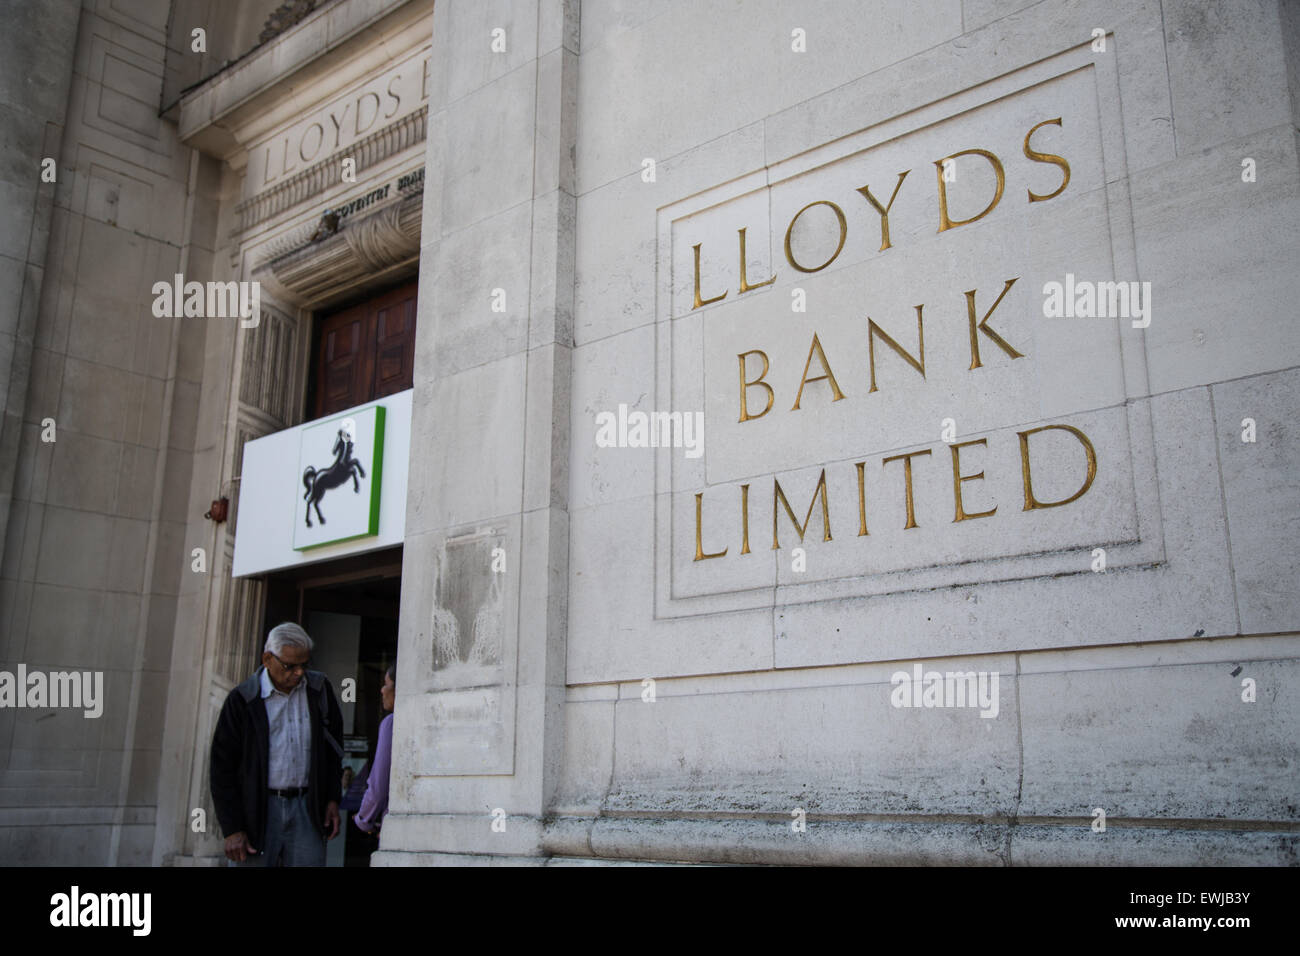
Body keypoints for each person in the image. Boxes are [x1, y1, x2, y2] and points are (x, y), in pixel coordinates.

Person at [210, 622, 345, 866]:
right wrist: (232, 828)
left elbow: (333, 750)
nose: (299, 673)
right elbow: (222, 769)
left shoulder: (318, 690)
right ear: (267, 659)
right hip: (259, 811)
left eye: (304, 665)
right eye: (290, 666)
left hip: (307, 807)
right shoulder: (243, 699)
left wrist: (332, 798)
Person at [353, 663, 395, 836]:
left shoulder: (392, 723)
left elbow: (379, 784)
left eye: (386, 684)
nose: (382, 690)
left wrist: (363, 819)